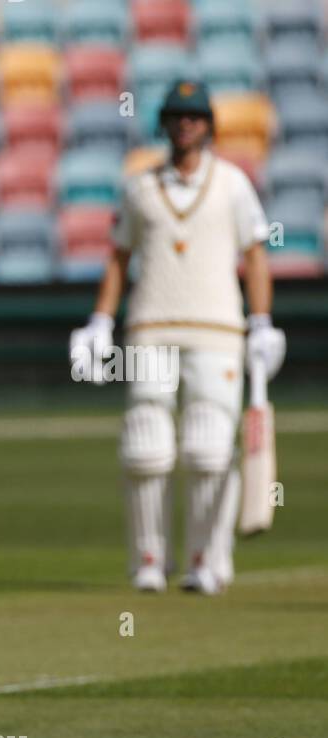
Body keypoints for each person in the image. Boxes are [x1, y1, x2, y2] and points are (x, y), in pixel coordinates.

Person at [70, 80, 285, 594]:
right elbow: (119, 260)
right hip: (151, 327)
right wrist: (101, 320)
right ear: (164, 123)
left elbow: (256, 257)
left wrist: (261, 320)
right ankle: (149, 559)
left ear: (209, 125)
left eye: (194, 116)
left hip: (218, 329)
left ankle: (206, 561)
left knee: (210, 449)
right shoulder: (139, 188)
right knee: (146, 447)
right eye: (176, 115)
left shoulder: (233, 184)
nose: (185, 124)